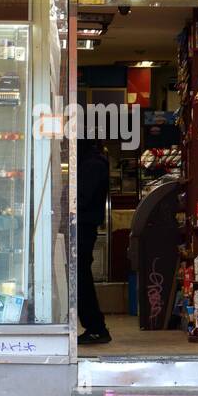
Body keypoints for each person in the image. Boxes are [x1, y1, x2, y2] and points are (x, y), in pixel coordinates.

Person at [77, 138, 111, 344]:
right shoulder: (93, 162)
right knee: (81, 278)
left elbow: (81, 199)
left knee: (81, 278)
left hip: (82, 227)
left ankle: (96, 327)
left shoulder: (91, 164)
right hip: (84, 226)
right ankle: (95, 326)